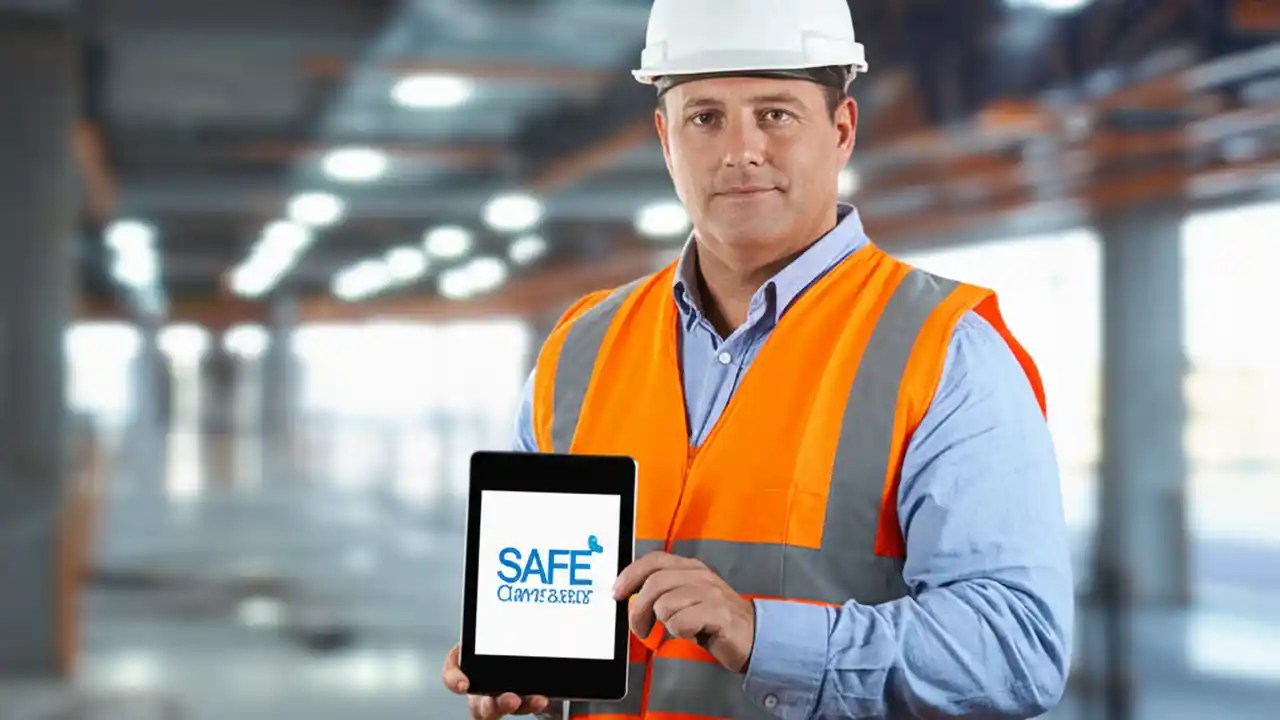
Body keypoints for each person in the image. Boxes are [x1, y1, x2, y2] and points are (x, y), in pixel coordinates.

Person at [443, 0, 1073, 717]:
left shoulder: (946, 352)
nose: (740, 151)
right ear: (665, 137)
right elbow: (556, 610)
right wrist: (525, 672)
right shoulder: (580, 348)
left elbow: (1018, 651)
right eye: (705, 118)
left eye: (774, 114)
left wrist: (758, 631)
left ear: (841, 130)